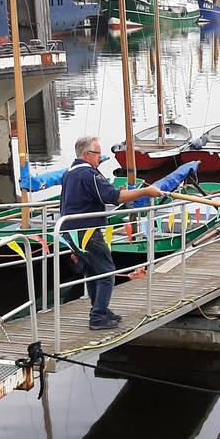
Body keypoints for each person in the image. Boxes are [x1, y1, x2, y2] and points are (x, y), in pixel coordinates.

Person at [61, 136, 163, 330]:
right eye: (98, 153)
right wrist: (145, 191)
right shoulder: (89, 174)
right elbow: (113, 197)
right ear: (87, 154)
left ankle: (99, 308)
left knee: (92, 271)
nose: (100, 157)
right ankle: (98, 316)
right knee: (107, 272)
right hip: (87, 231)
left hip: (70, 231)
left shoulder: (69, 173)